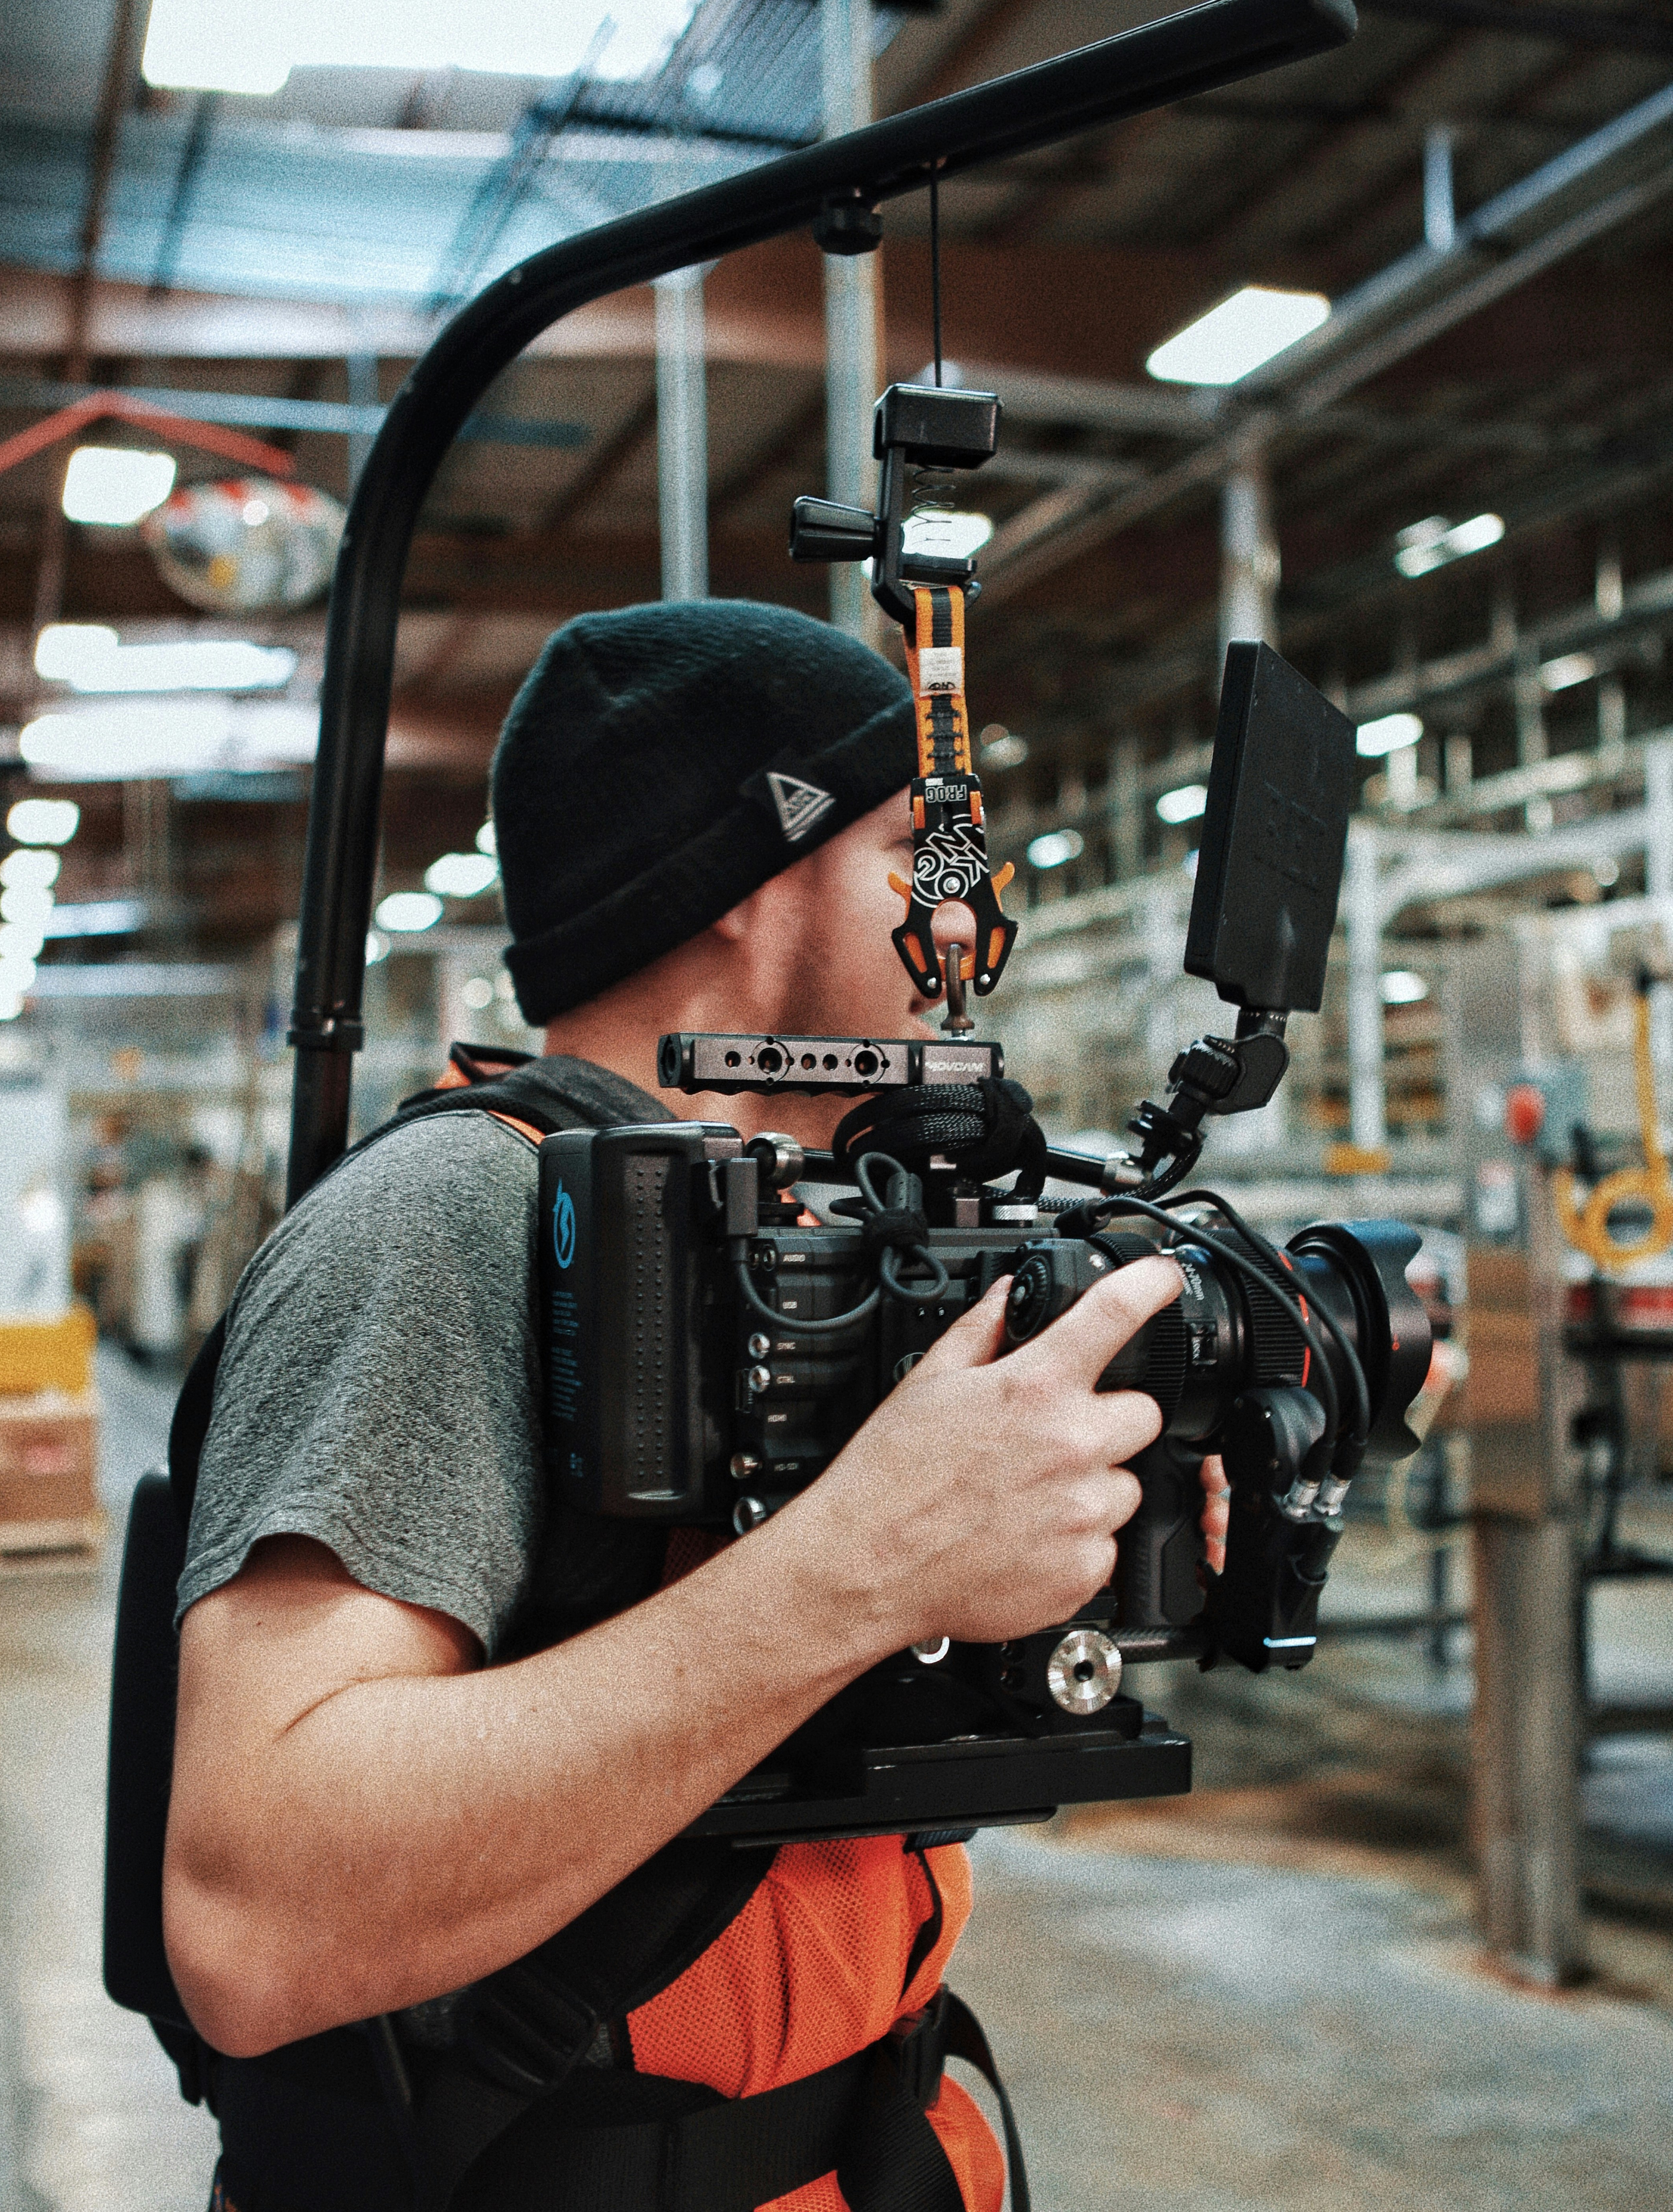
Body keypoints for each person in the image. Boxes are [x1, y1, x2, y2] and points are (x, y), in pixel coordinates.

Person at [164, 599, 1226, 2212]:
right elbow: (259, 1913)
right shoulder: (457, 1224)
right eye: (902, 853)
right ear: (750, 885)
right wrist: (872, 1557)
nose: (952, 912)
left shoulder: (791, 1239)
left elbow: (746, 1691)